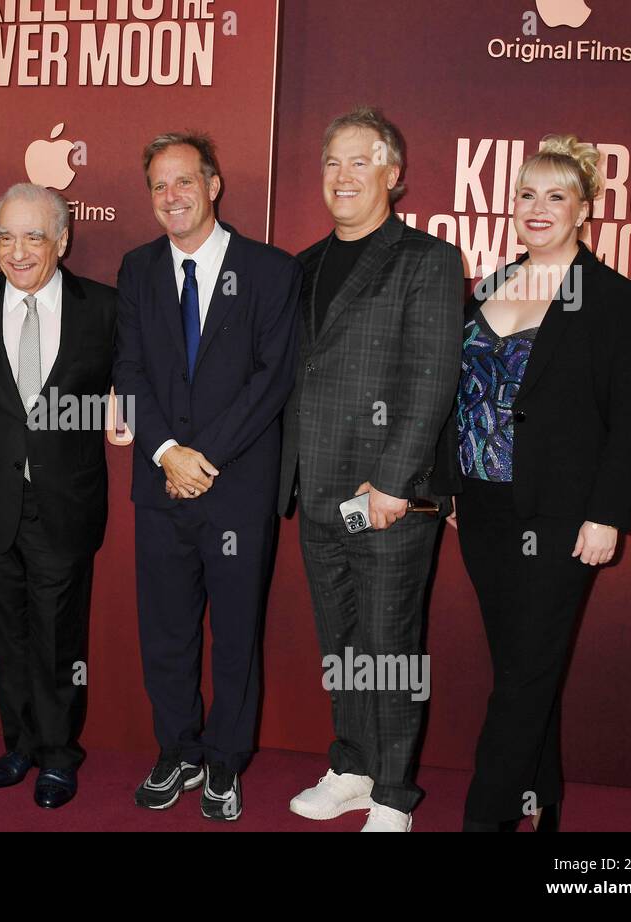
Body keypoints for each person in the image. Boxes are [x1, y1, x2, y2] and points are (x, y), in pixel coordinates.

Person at [434, 135, 631, 832]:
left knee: (526, 673)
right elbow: (455, 393)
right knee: (520, 667)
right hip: (482, 508)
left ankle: (486, 819)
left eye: (556, 196)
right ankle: (545, 792)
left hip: (562, 516)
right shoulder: (491, 284)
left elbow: (630, 420)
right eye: (526, 194)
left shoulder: (617, 299)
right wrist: (448, 491)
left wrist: (606, 515)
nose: (538, 208)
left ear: (584, 210)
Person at [278, 106, 464, 832]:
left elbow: (432, 376)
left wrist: (393, 481)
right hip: (317, 491)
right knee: (343, 646)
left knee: (389, 649)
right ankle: (352, 767)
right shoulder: (303, 266)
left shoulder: (427, 260)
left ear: (394, 173)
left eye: (361, 161)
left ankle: (393, 796)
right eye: (332, 162)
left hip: (387, 495)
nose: (343, 175)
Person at [113, 132, 300, 822]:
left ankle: (225, 762)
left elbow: (270, 380)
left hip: (238, 489)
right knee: (166, 631)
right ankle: (178, 751)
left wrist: (200, 459)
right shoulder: (135, 270)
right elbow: (127, 370)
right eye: (159, 186)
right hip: (160, 487)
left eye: (184, 182)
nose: (172, 197)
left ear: (214, 185)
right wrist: (167, 453)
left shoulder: (272, 271)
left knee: (236, 633)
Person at [0, 183, 117, 809]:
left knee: (58, 638)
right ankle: (19, 744)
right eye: (6, 236)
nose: (16, 251)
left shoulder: (105, 309)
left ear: (62, 241)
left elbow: (130, 392)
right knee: (6, 637)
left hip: (64, 504)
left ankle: (59, 756)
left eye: (33, 236)